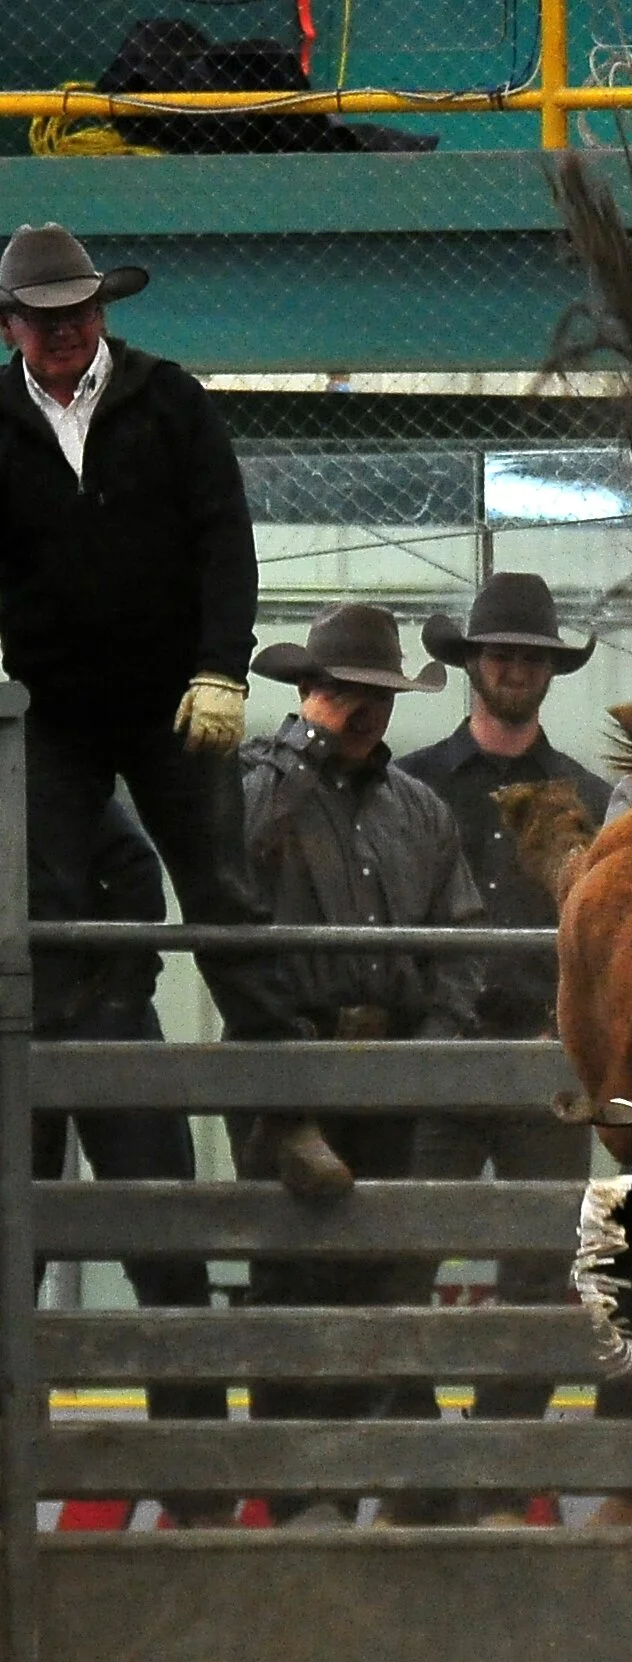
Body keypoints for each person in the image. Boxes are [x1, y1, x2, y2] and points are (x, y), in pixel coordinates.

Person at [0, 223, 315, 1183]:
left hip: (178, 700)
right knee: (44, 902)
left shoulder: (170, 402)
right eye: (47, 318)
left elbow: (226, 540)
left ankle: (283, 1118)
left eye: (80, 313)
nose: (66, 332)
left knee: (223, 895)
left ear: (102, 313)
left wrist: (222, 669)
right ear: (13, 326)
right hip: (54, 706)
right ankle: (40, 1113)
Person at [236, 604, 483, 1518]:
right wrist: (305, 743)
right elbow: (237, 858)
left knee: (389, 1269)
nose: (362, 709)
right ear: (308, 692)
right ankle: (301, 1495)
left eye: (375, 693)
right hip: (285, 1055)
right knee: (290, 1275)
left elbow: (459, 944)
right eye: (344, 691)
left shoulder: (419, 810)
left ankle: (402, 1494)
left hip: (391, 1061)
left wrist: (431, 1050)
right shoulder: (258, 779)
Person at [386, 573, 609, 1520]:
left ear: (550, 673)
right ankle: (426, 1461)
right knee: (402, 1257)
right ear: (474, 663)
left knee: (539, 1265)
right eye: (501, 653)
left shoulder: (588, 800)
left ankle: (490, 1454)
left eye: (531, 656)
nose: (515, 667)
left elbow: (606, 935)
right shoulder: (412, 786)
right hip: (439, 1057)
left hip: (540, 1064)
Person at [32, 794, 235, 1527]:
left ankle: (201, 1491)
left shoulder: (38, 768)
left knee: (168, 1250)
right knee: (164, 1252)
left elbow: (135, 869)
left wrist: (112, 1001)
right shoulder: (42, 767)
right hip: (57, 1018)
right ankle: (200, 1491)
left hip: (83, 1017)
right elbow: (134, 869)